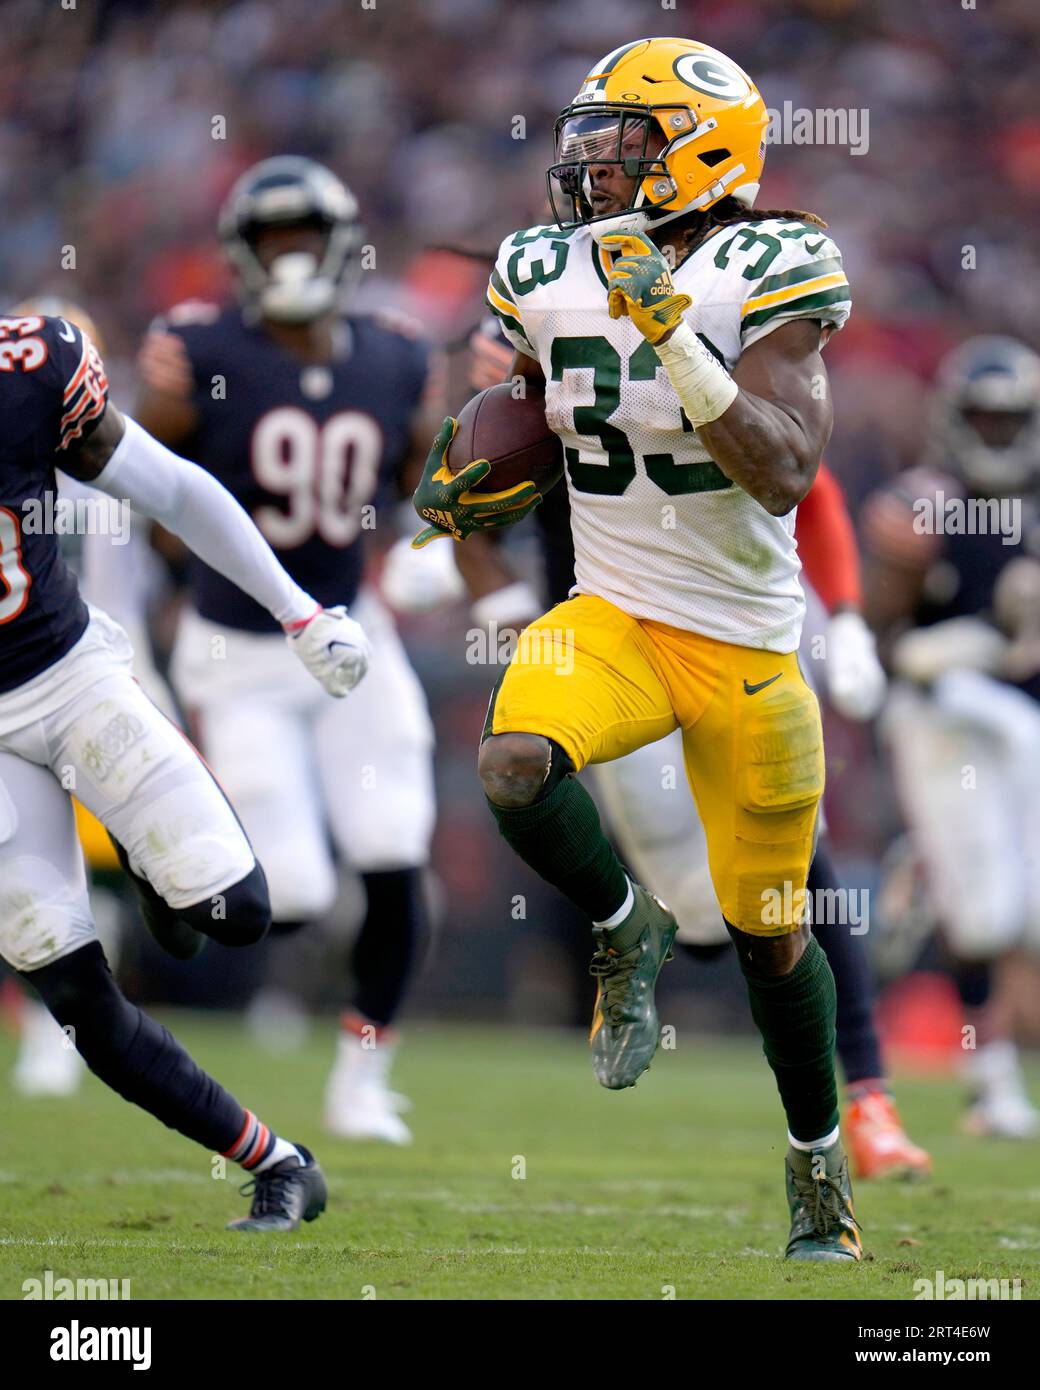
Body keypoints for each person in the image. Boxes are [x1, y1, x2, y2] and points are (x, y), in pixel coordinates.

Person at [412, 37, 860, 1260]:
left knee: (770, 933)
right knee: (513, 763)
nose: (591, 163)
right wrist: (461, 480)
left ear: (702, 147)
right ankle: (623, 925)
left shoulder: (770, 261)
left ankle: (817, 1166)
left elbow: (781, 472)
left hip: (746, 648)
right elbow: (509, 402)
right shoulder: (540, 266)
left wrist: (666, 328)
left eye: (625, 138)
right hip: (611, 611)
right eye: (590, 137)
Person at [0, 306, 370, 1229]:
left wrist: (298, 613)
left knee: (236, 913)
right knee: (79, 999)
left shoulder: (27, 368)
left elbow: (169, 487)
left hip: (71, 677)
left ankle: (151, 865)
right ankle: (278, 1163)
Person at [135, 157, 442, 1143]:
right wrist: (183, 599)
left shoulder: (395, 355)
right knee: (294, 889)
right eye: (273, 241)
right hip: (238, 648)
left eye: (305, 236)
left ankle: (363, 1077)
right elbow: (153, 495)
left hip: (353, 636)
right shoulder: (197, 347)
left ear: (344, 244)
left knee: (396, 846)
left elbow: (414, 485)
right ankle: (160, 879)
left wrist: (425, 554)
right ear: (241, 252)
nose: (291, 257)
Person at [862, 335, 1040, 1138]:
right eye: (985, 419)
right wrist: (922, 652)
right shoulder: (924, 501)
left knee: (1026, 911)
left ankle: (931, 862)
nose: (998, 433)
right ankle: (993, 1086)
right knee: (984, 917)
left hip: (1027, 717)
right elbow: (868, 636)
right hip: (945, 715)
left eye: (1012, 420)